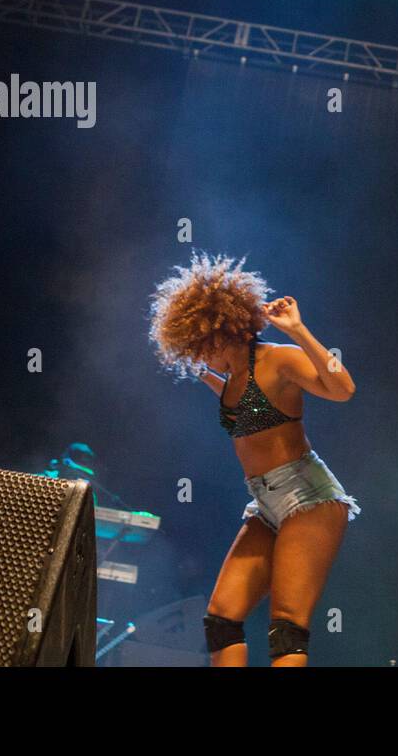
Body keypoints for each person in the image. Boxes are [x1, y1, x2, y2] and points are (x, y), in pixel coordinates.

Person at [149, 251, 359, 666]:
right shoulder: (233, 380)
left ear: (218, 332)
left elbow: (343, 388)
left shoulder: (278, 359)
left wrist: (299, 331)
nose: (197, 356)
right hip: (265, 505)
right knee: (221, 619)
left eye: (198, 347)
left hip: (309, 497)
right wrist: (206, 376)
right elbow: (243, 408)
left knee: (287, 627)